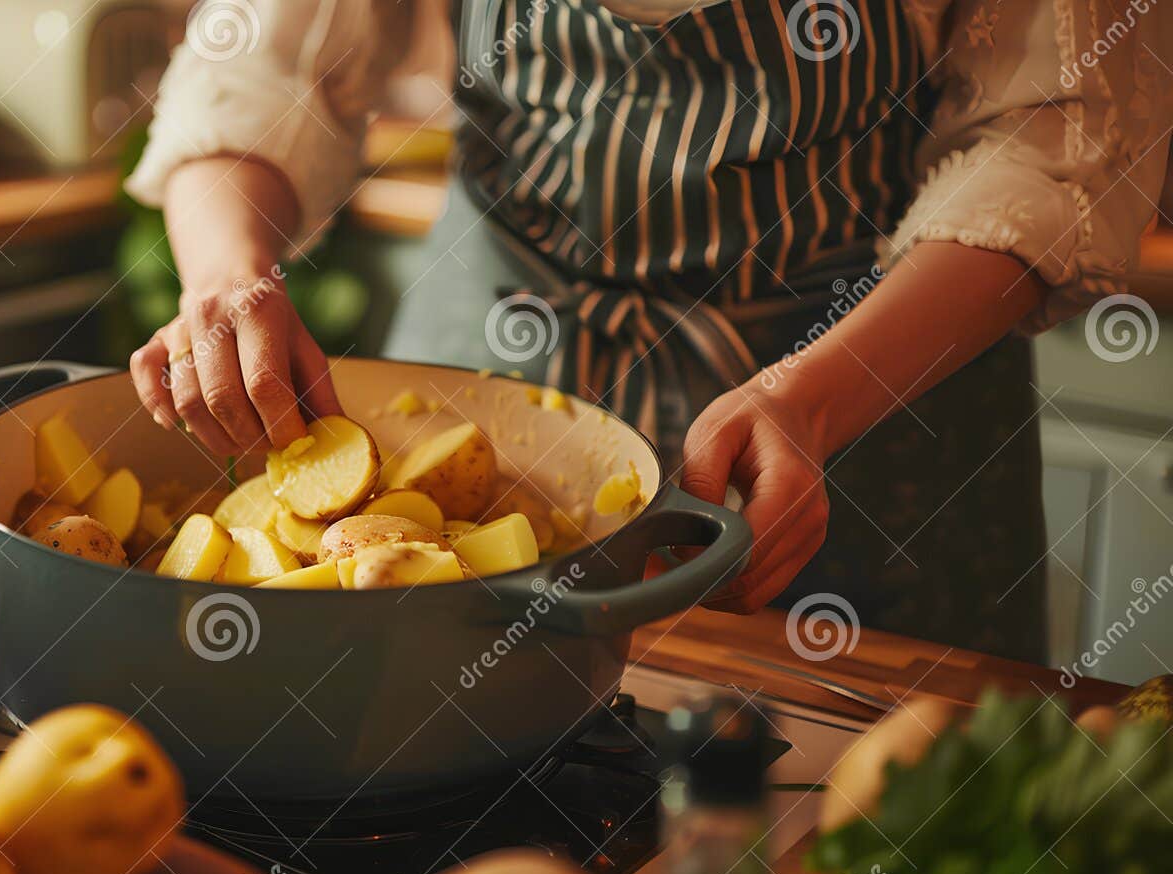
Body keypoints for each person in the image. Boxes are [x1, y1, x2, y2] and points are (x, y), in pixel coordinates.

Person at [125, 0, 1171, 663]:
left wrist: (809, 395)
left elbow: (1053, 150)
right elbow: (260, 66)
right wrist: (223, 274)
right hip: (480, 403)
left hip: (861, 428)